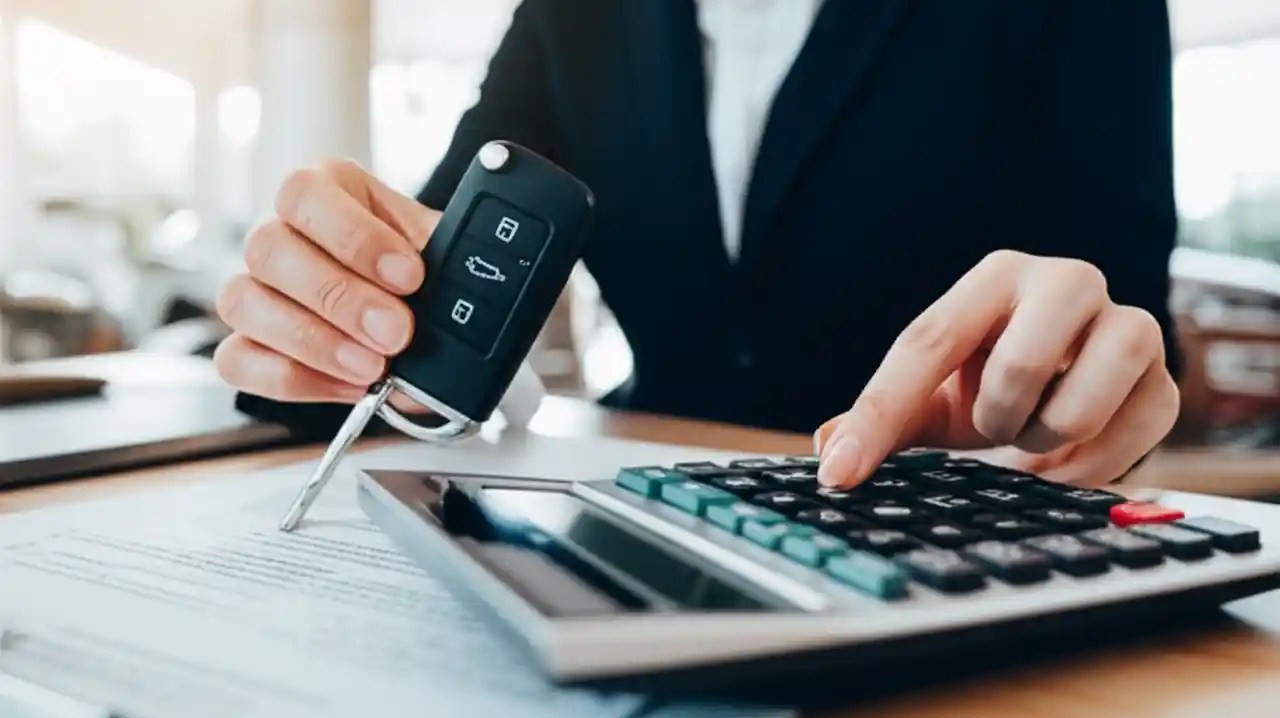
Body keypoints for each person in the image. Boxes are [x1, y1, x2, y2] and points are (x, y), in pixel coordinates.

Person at [215, 0, 1180, 490]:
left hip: (938, 523)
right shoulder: (580, 12)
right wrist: (324, 307)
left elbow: (1126, 327)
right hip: (640, 501)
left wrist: (1079, 372)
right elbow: (428, 299)